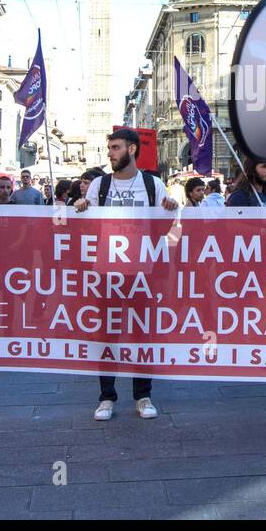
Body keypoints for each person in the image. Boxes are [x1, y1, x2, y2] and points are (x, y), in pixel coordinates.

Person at [75, 128, 177, 421]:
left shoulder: (152, 184)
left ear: (132, 149)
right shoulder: (99, 185)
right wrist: (80, 210)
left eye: (115, 147)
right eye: (109, 148)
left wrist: (172, 210)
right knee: (107, 334)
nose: (110, 153)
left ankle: (143, 396)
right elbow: (84, 230)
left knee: (142, 333)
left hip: (142, 271)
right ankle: (106, 397)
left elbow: (169, 227)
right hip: (107, 272)